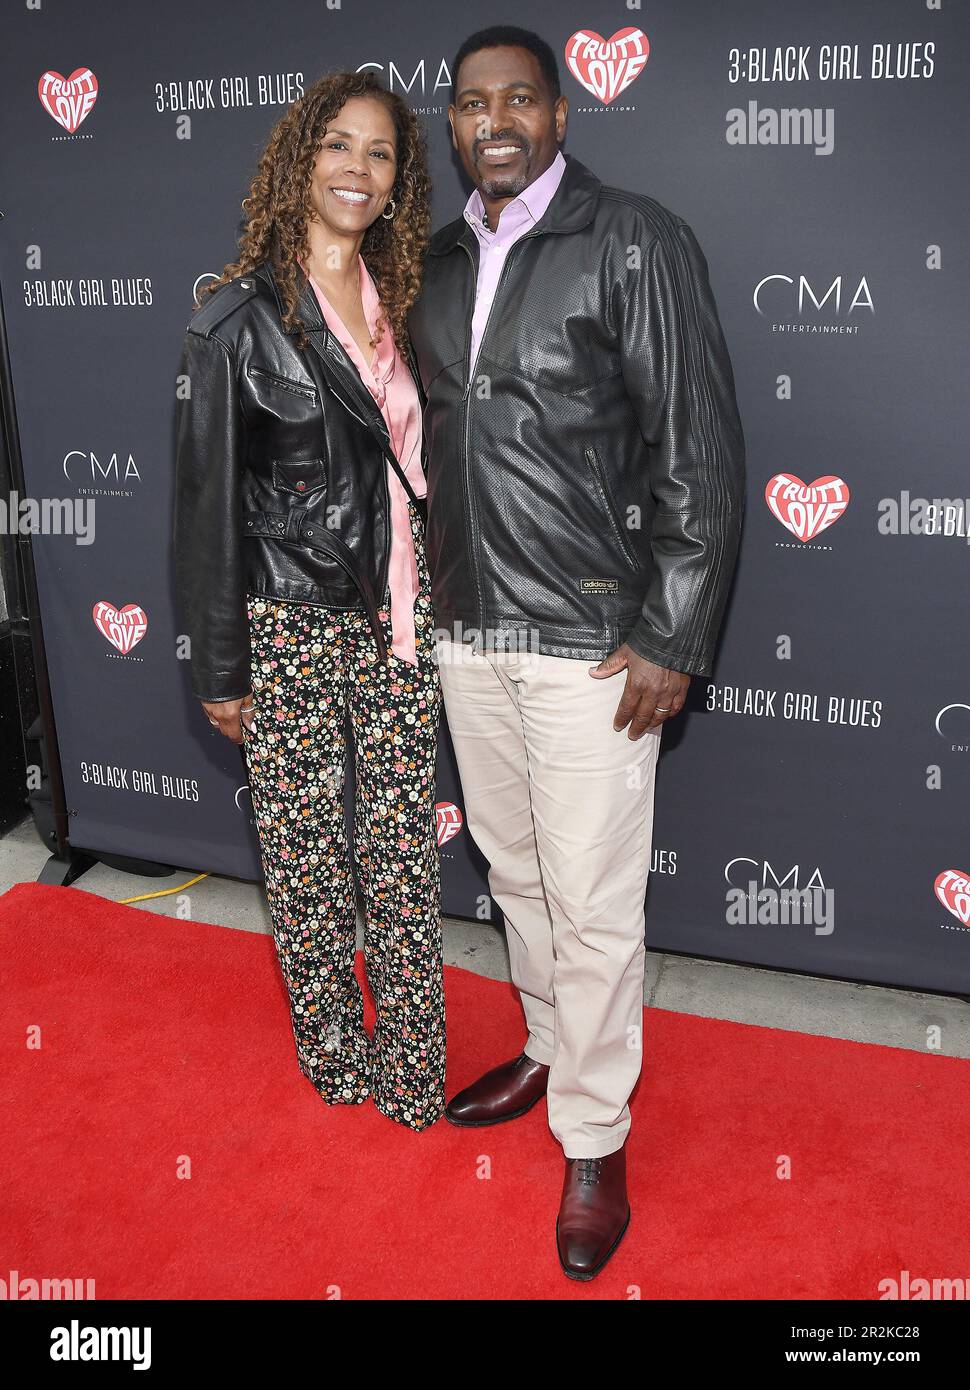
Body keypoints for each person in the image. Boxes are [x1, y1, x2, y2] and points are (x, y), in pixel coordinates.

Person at [407, 27, 746, 1274]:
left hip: (594, 639)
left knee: (595, 901)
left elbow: (698, 449)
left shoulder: (634, 237)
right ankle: (551, 1045)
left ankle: (594, 1132)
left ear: (559, 111)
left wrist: (672, 632)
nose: (491, 119)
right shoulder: (437, 260)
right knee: (518, 873)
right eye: (468, 104)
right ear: (451, 127)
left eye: (517, 98)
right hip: (467, 630)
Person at [173, 71, 445, 1133]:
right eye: (336, 145)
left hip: (399, 621)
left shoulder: (406, 304)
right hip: (287, 622)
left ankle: (415, 1064)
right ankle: (336, 1051)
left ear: (396, 181)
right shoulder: (232, 322)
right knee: (304, 862)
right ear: (299, 161)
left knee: (400, 857)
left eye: (379, 153)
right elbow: (203, 515)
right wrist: (220, 666)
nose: (356, 169)